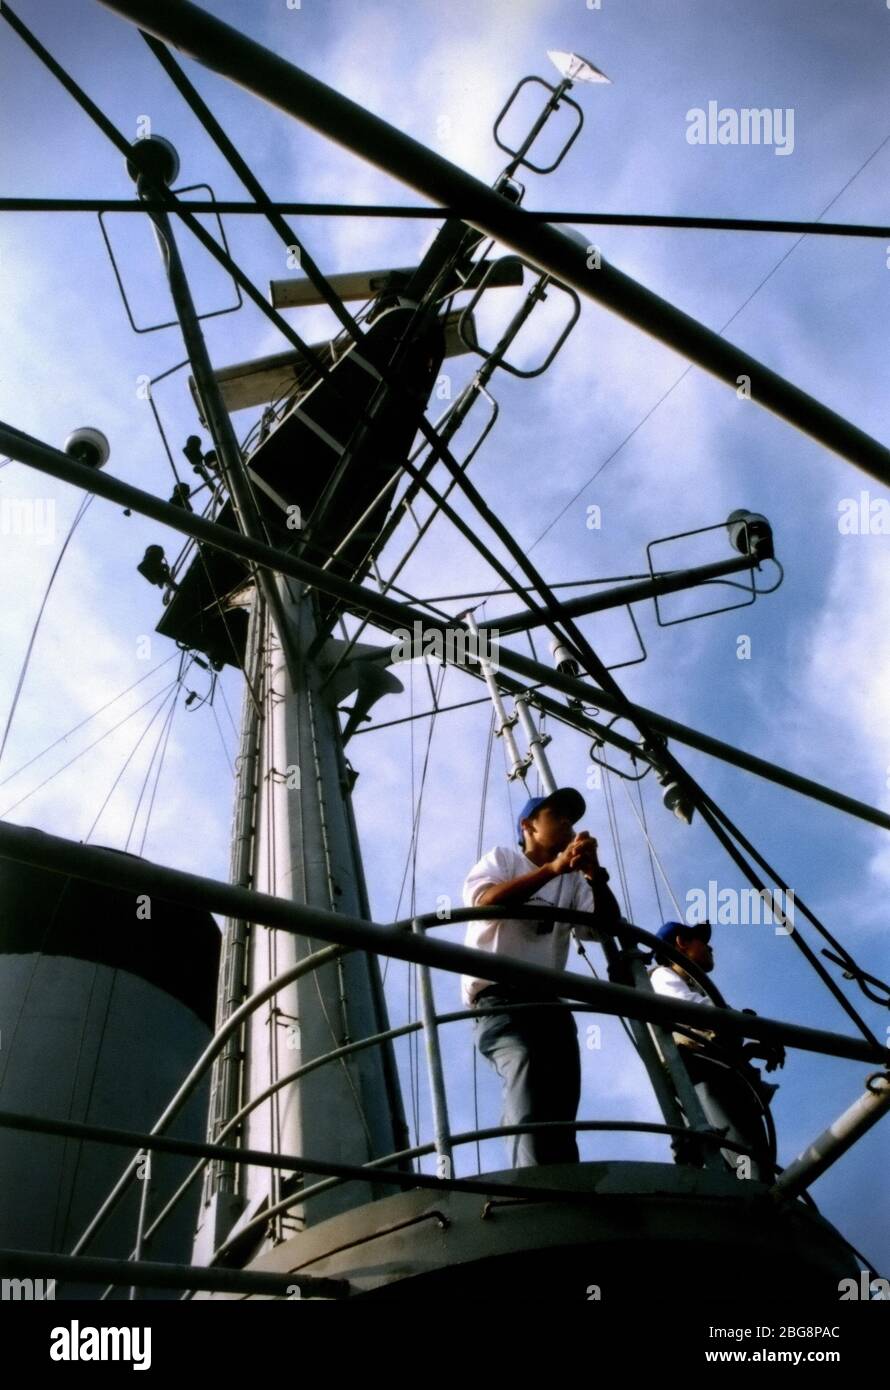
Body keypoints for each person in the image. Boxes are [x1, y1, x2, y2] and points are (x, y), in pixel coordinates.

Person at [462, 786, 623, 1169]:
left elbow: (605, 928)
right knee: (527, 1069)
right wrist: (551, 869)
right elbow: (484, 902)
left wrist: (594, 875)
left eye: (572, 817)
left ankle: (564, 1183)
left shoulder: (573, 882)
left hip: (549, 1002)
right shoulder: (504, 857)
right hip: (501, 997)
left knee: (562, 1100)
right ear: (528, 825)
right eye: (557, 815)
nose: (568, 822)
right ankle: (531, 1183)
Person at [648, 920, 784, 1181]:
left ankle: (756, 1194)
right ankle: (752, 1197)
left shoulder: (691, 986)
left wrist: (750, 1046)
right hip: (703, 1077)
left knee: (753, 1156)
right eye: (702, 940)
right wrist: (744, 1023)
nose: (710, 947)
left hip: (719, 1076)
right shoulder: (662, 976)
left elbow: (709, 1031)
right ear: (681, 942)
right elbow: (691, 1011)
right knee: (743, 1159)